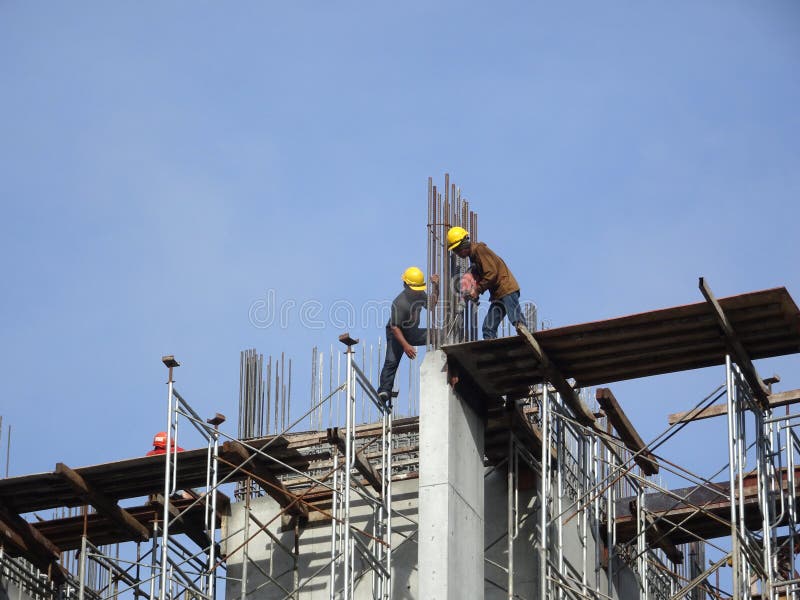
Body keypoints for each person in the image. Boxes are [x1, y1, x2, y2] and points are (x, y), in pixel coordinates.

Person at [447, 226, 524, 340]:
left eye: (457, 250)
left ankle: (527, 338)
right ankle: (493, 349)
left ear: (463, 245)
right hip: (498, 294)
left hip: (507, 289)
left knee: (517, 321)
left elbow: (491, 273)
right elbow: (482, 275)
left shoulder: (480, 250)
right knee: (488, 328)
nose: (457, 253)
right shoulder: (474, 257)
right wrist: (472, 289)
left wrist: (477, 290)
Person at [377, 266, 439, 406]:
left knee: (438, 334)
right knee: (391, 361)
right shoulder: (400, 303)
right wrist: (405, 346)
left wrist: (436, 286)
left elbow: (431, 305)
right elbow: (394, 327)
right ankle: (384, 391)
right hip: (396, 333)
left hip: (411, 331)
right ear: (406, 285)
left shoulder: (419, 294)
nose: (417, 292)